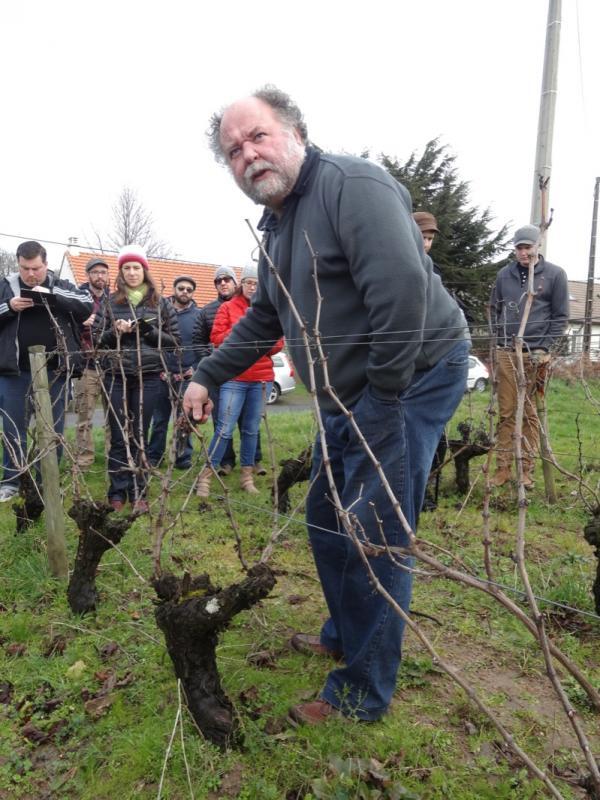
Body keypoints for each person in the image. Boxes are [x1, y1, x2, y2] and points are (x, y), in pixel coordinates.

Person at [183, 86, 470, 725]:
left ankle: (362, 693)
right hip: (351, 391)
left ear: (296, 131)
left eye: (257, 136)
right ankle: (345, 631)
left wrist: (383, 404)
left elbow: (400, 300)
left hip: (409, 378)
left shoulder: (351, 187)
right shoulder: (279, 223)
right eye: (233, 151)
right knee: (324, 514)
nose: (248, 155)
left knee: (374, 531)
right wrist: (205, 374)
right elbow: (264, 317)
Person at [0, 240, 92, 501]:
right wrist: (9, 307)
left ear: (46, 265)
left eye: (36, 268)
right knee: (12, 429)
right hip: (13, 372)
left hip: (56, 372)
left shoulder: (60, 286)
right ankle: (11, 482)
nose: (31, 274)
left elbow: (86, 304)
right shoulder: (6, 287)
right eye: (25, 268)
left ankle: (46, 482)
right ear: (18, 264)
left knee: (53, 430)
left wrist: (50, 295)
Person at [94, 244, 180, 512]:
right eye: (126, 268)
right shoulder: (109, 303)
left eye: (136, 267)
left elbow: (174, 342)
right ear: (120, 273)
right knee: (119, 435)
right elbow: (97, 341)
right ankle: (117, 492)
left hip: (149, 377)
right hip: (116, 376)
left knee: (140, 435)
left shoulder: (161, 303)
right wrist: (115, 333)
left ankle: (139, 491)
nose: (132, 273)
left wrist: (147, 332)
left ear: (145, 270)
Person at [490, 224, 569, 489]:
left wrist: (544, 347)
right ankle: (502, 469)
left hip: (536, 354)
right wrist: (499, 339)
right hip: (506, 351)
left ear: (538, 246)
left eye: (528, 247)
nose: (523, 253)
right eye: (519, 248)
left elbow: (560, 317)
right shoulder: (504, 275)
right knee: (507, 411)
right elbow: (495, 308)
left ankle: (526, 470)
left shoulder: (555, 275)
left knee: (530, 414)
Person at [195, 264, 282, 497]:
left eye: (256, 283)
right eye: (248, 282)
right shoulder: (227, 307)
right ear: (241, 284)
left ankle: (246, 476)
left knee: (251, 430)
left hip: (261, 378)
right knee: (224, 429)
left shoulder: (269, 310)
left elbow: (278, 343)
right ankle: (205, 476)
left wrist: (255, 342)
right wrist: (243, 334)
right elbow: (216, 338)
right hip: (233, 377)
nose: (252, 287)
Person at [147, 275, 202, 469]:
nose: (185, 292)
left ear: (192, 293)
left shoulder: (198, 316)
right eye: (181, 288)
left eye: (189, 289)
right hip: (162, 375)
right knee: (159, 419)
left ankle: (182, 457)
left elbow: (202, 345)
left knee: (185, 419)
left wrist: (195, 368)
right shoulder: (161, 312)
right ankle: (154, 456)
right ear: (174, 289)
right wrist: (158, 367)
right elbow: (152, 340)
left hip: (187, 376)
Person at [74, 257, 111, 469]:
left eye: (103, 272)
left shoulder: (115, 300)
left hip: (110, 365)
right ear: (88, 275)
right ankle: (83, 460)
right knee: (84, 416)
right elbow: (66, 327)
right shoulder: (77, 298)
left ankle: (112, 456)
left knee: (113, 415)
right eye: (95, 272)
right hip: (86, 365)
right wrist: (81, 324)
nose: (100, 276)